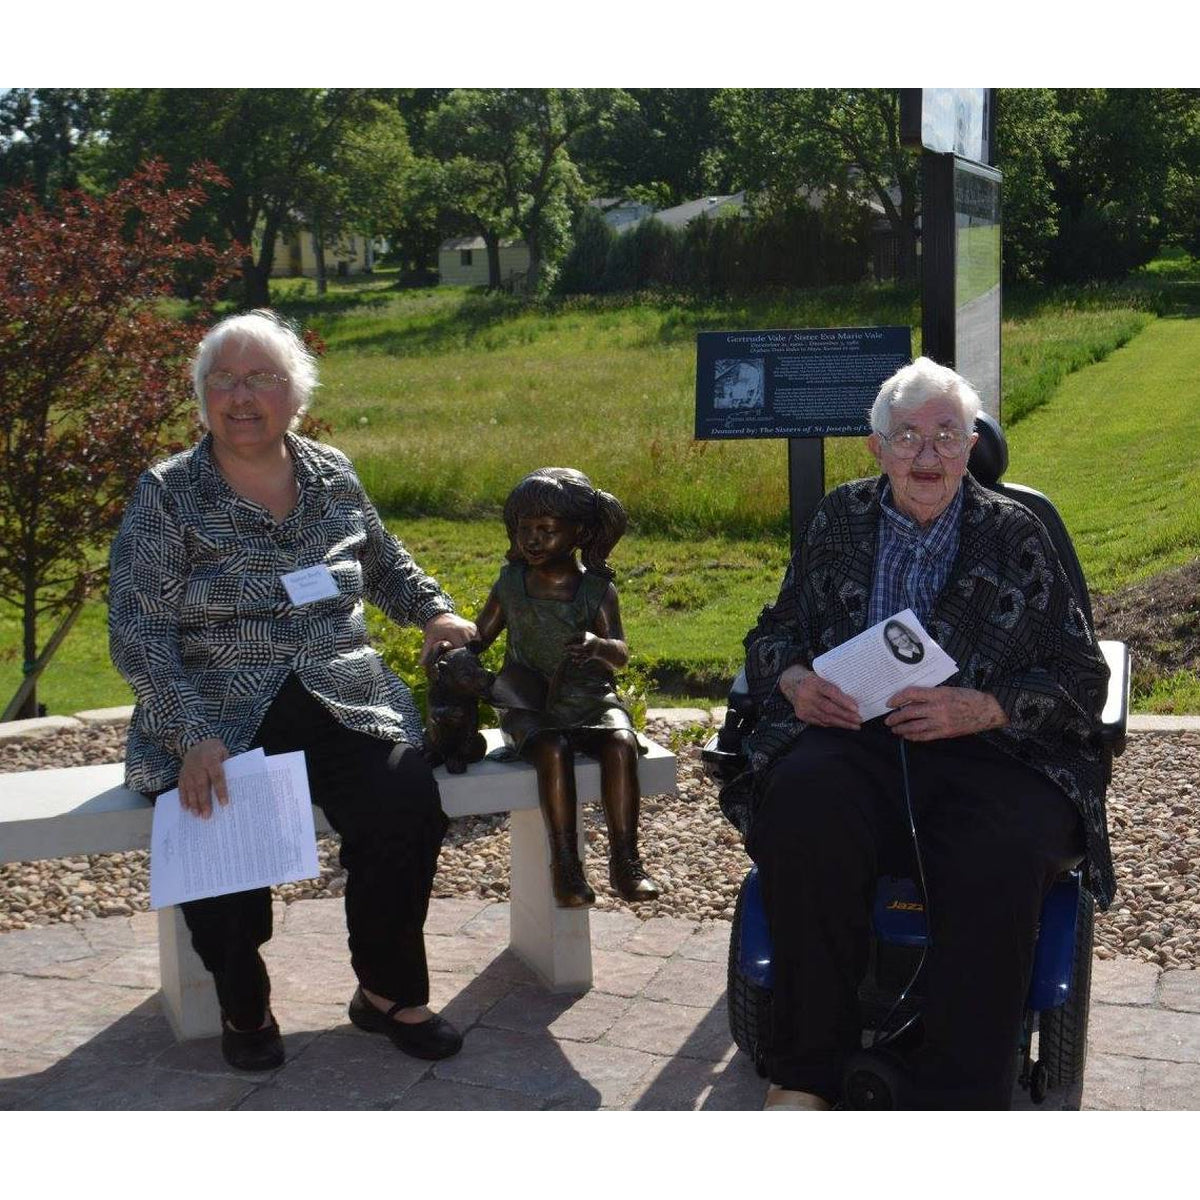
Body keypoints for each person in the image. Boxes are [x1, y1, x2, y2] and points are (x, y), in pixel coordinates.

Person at [737, 357, 1113, 1110]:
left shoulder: (1017, 535)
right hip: (856, 739)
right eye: (908, 436)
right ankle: (806, 1072)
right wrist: (796, 683)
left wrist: (982, 707)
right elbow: (774, 632)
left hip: (991, 749)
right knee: (802, 810)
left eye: (947, 434)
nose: (928, 455)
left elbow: (1082, 675)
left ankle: (958, 1096)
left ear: (972, 444)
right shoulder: (839, 519)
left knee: (997, 849)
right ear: (876, 448)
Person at [109, 309, 478, 1071]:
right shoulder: (168, 493)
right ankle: (243, 1000)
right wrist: (189, 732)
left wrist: (436, 612)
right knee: (216, 818)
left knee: (404, 805)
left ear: (295, 394)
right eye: (225, 380)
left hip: (339, 690)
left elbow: (384, 565)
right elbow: (138, 630)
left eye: (262, 379)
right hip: (216, 701)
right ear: (202, 395)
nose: (242, 397)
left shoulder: (331, 473)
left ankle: (386, 991)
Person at [473, 467, 661, 908]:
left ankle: (625, 861)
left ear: (578, 533)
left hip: (590, 699)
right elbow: (479, 637)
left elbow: (621, 653)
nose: (533, 540)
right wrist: (456, 653)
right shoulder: (510, 585)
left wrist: (598, 646)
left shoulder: (596, 590)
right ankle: (566, 866)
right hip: (531, 704)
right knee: (552, 749)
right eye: (525, 530)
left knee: (619, 743)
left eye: (546, 530)